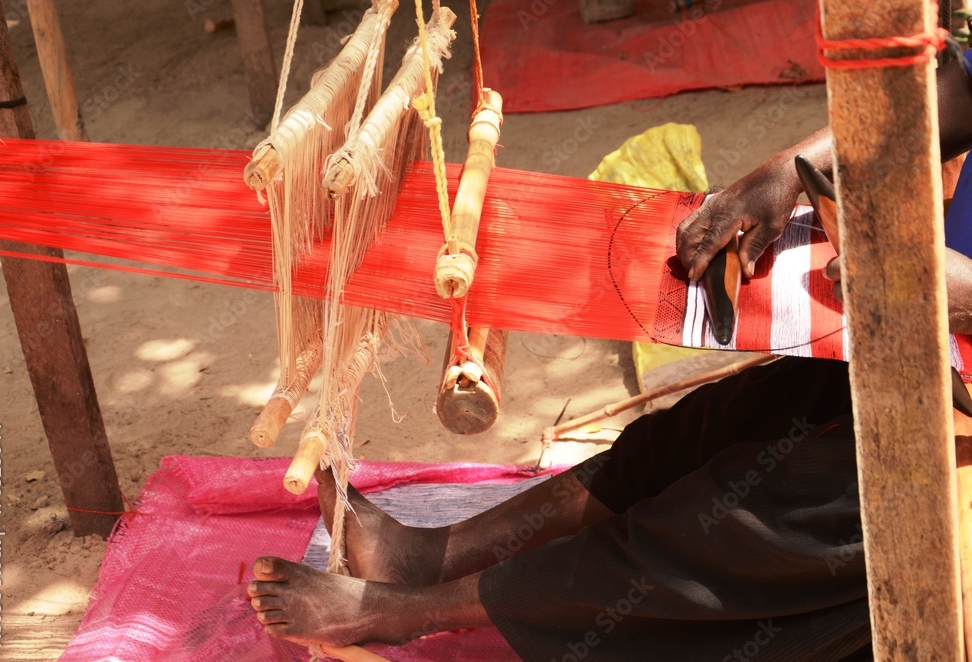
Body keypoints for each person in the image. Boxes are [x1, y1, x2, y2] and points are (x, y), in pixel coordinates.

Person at [245, 50, 972, 662]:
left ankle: (404, 612)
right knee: (720, 424)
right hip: (947, 355)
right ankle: (430, 557)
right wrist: (791, 168)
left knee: (758, 508)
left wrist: (951, 289)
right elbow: (955, 93)